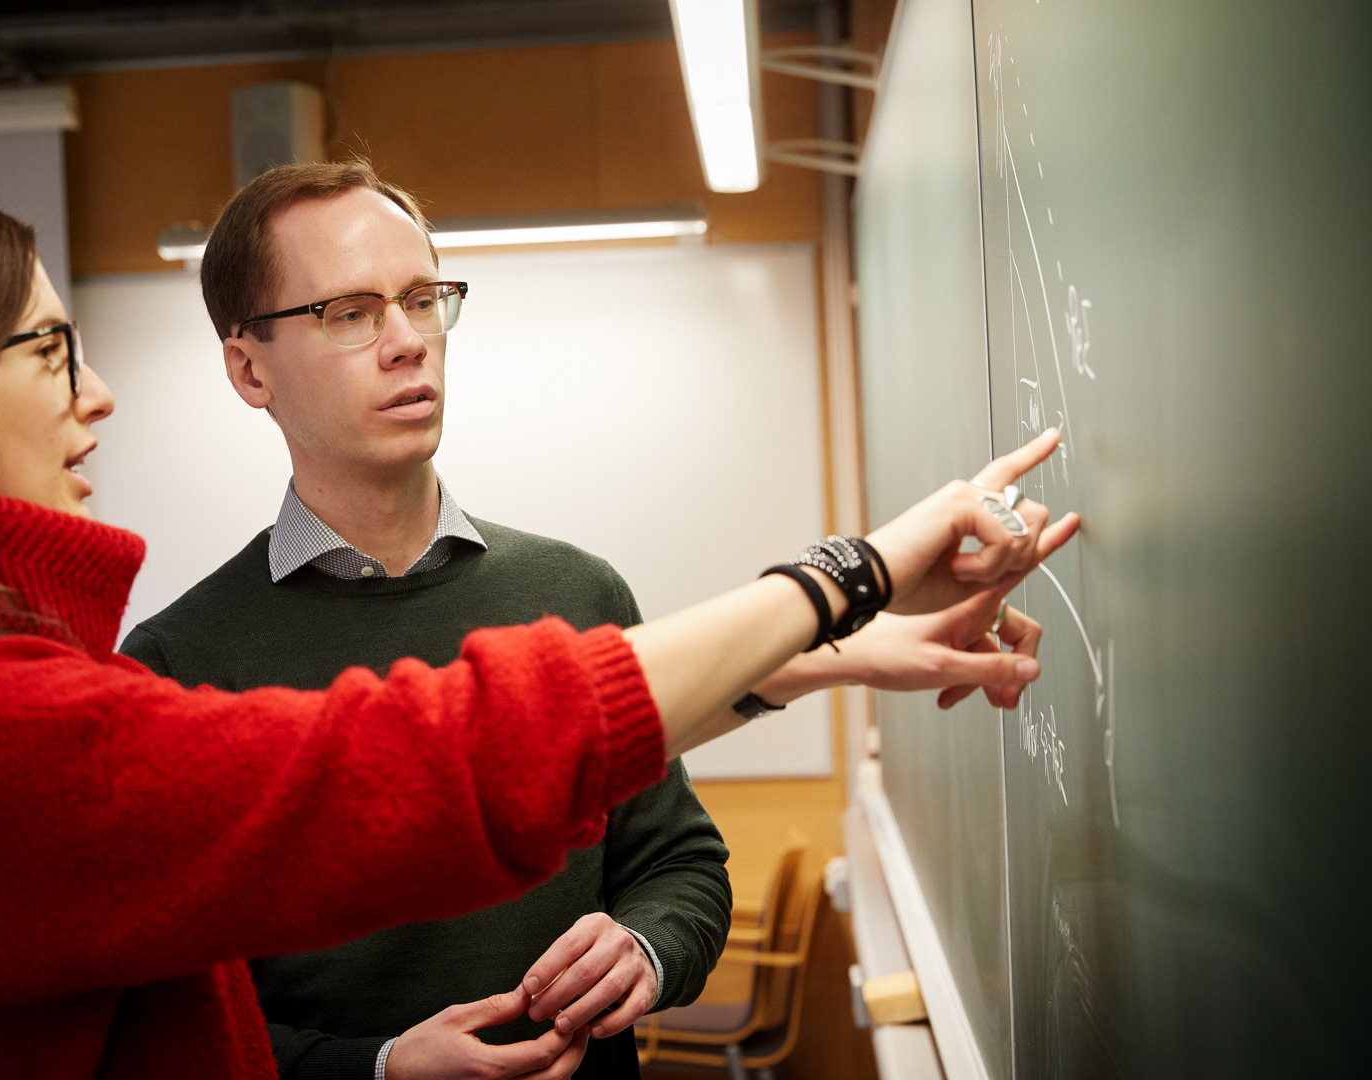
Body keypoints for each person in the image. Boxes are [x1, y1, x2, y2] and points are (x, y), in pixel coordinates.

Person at [0, 190, 1076, 1080]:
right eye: (50, 353)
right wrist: (853, 572)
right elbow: (398, 769)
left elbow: (506, 779)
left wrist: (822, 658)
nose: (97, 396)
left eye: (423, 300)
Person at [120, 161, 1060, 1080]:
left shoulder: (575, 591)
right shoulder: (174, 664)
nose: (406, 339)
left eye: (421, 297)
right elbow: (168, 1026)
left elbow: (680, 865)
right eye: (350, 313)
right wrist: (373, 1066)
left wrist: (645, 950)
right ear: (248, 368)